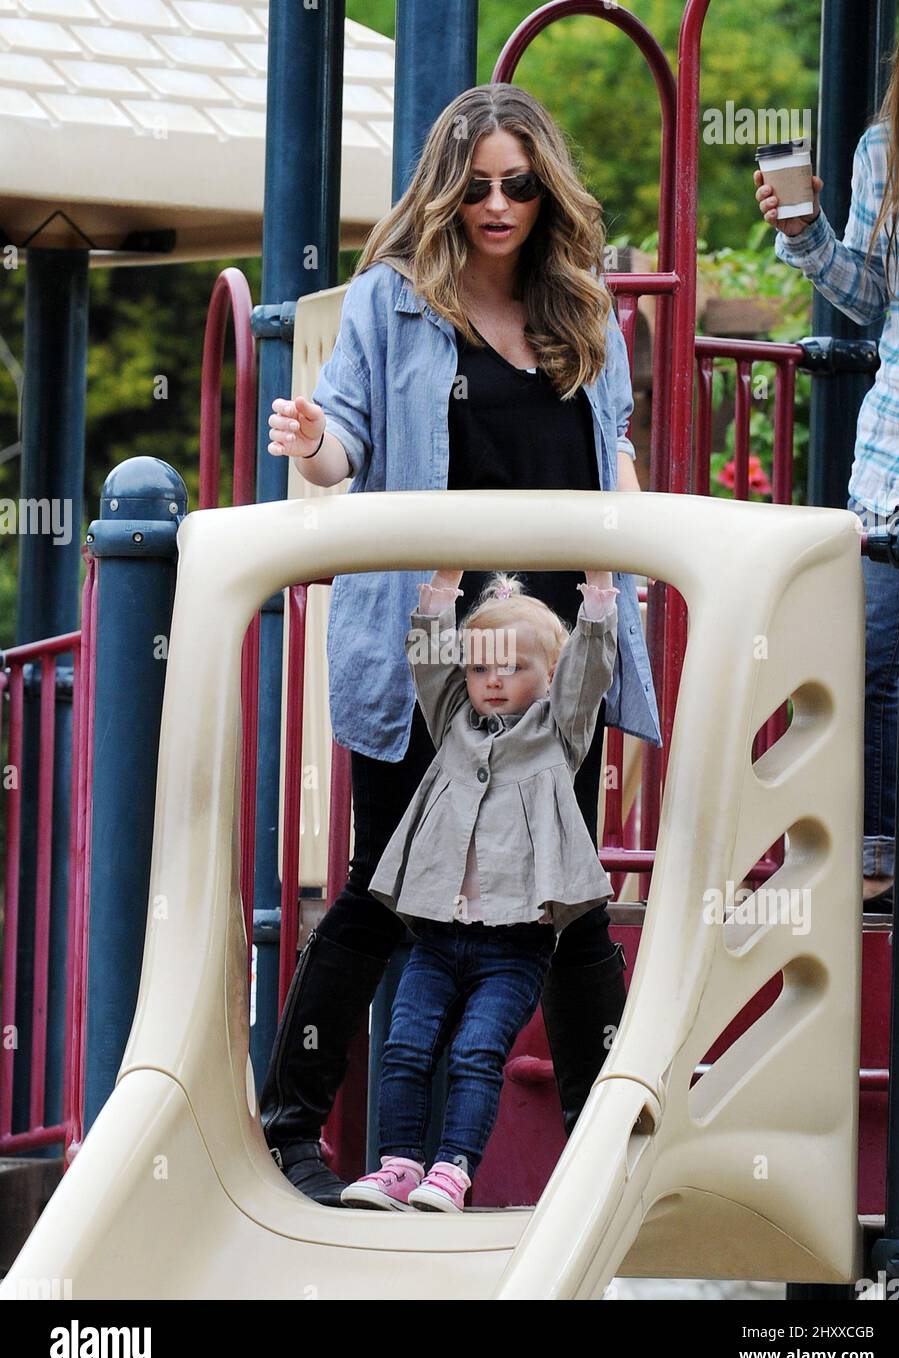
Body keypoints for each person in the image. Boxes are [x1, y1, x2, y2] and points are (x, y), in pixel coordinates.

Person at [262, 83, 661, 1207]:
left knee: (567, 899)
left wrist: (640, 568)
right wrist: (313, 442)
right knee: (383, 887)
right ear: (446, 189)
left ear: (547, 191)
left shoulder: (581, 308)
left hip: (552, 653)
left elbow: (613, 451)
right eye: (477, 184)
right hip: (433, 646)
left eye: (520, 184)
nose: (498, 204)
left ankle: (598, 1150)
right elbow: (344, 442)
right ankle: (292, 1128)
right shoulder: (394, 300)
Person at [340, 569, 619, 1213]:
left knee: (474, 1053)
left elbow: (590, 667)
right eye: (480, 669)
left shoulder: (559, 731)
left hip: (514, 947)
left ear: (550, 676)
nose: (493, 681)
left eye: (514, 668)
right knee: (405, 1046)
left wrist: (600, 590)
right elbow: (430, 664)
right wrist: (441, 587)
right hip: (437, 938)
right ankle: (399, 1165)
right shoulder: (453, 724)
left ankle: (452, 1171)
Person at [755, 11, 899, 912]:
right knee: (873, 659)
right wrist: (807, 228)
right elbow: (870, 297)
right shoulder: (883, 149)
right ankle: (875, 852)